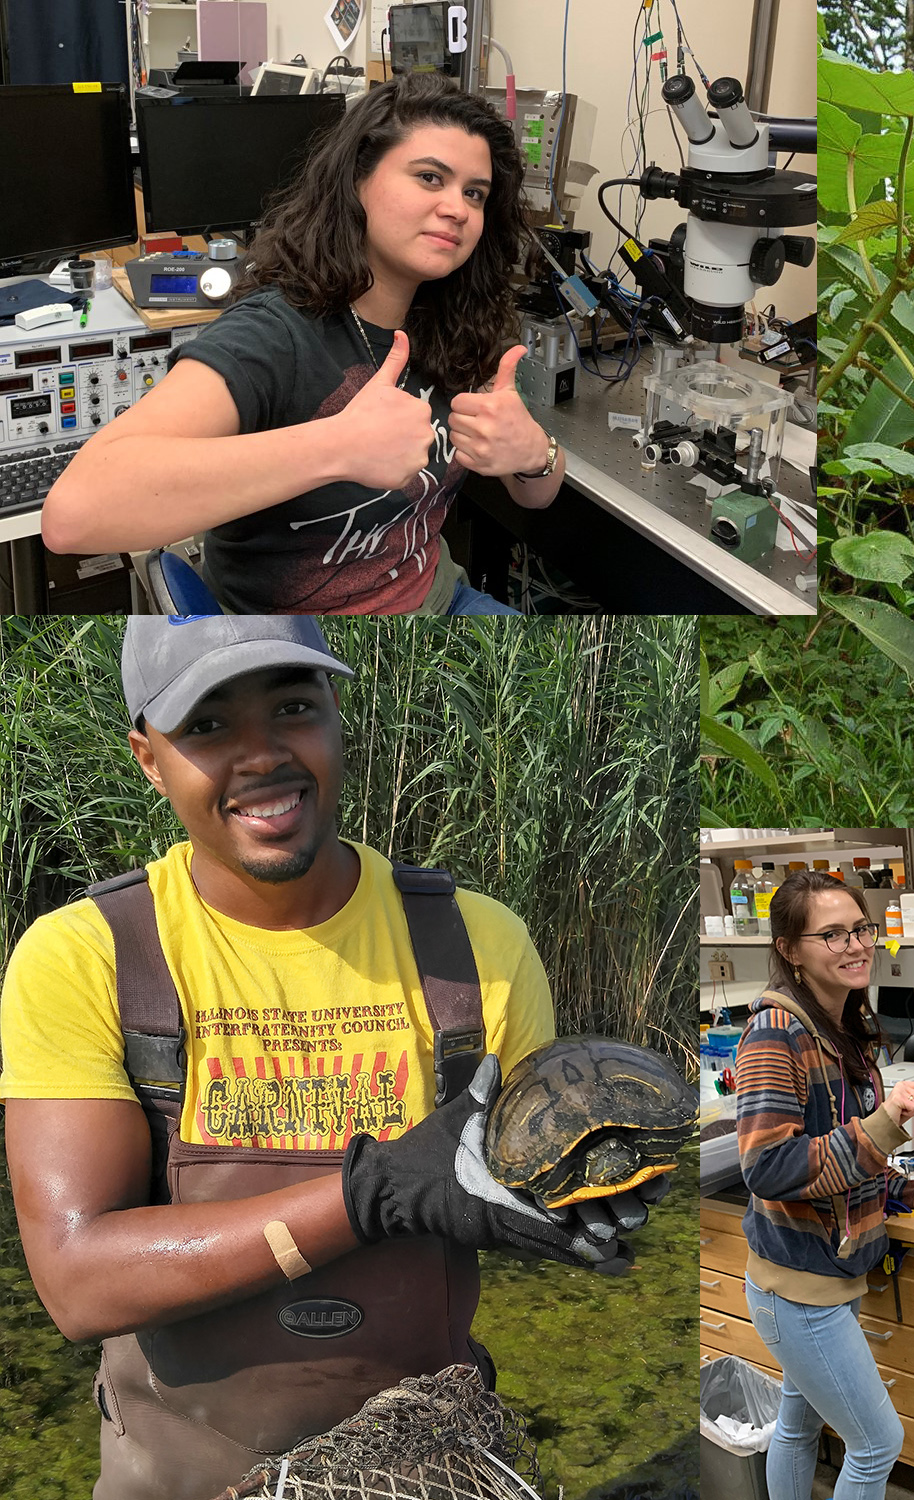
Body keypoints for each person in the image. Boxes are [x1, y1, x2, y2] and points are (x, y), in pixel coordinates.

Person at [0, 615, 648, 1498]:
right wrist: (371, 1193)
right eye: (209, 725)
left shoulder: (477, 946)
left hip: (427, 1465)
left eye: (295, 706)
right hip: (175, 1477)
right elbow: (77, 1285)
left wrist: (593, 1201)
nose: (262, 754)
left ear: (339, 715)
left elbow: (545, 1175)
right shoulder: (90, 956)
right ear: (148, 758)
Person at [42, 76, 561, 614]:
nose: (457, 208)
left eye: (474, 193)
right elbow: (74, 514)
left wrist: (533, 456)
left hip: (440, 603)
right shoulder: (274, 334)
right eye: (430, 177)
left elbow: (538, 494)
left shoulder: (457, 322)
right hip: (298, 646)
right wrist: (335, 447)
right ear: (357, 181)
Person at [736, 868, 914, 1500]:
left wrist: (912, 1192)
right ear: (790, 951)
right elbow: (768, 1168)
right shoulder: (777, 1033)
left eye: (860, 929)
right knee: (878, 1443)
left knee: (796, 1430)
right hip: (799, 1288)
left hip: (832, 1272)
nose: (855, 946)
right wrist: (883, 1127)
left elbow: (848, 1159)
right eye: (832, 935)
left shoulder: (846, 1027)